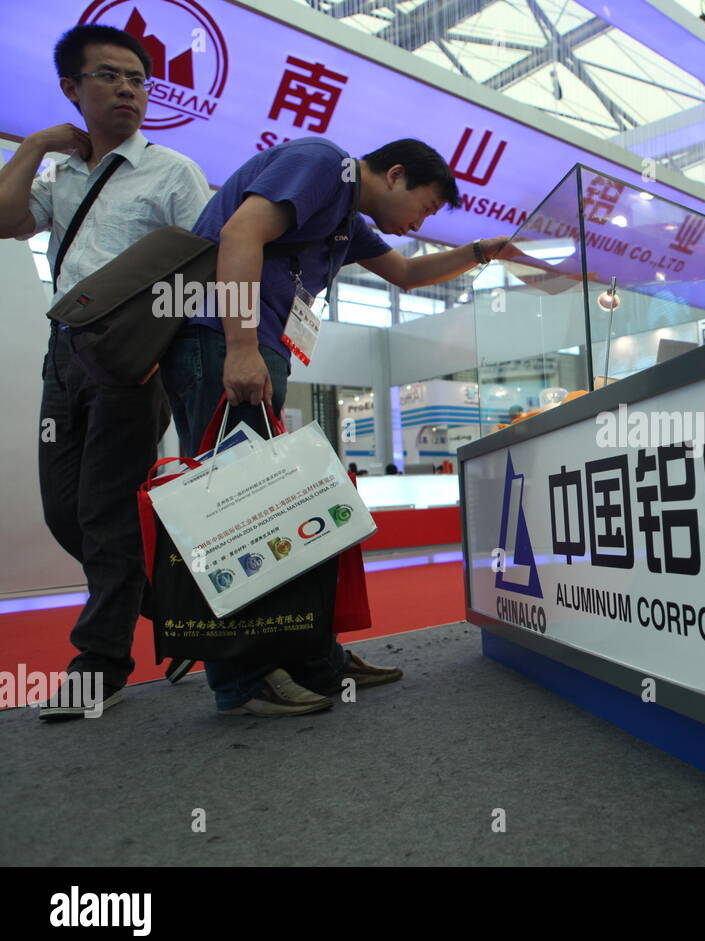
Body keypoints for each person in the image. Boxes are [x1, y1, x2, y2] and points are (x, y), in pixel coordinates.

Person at [161, 134, 518, 717]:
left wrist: (483, 251)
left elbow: (404, 273)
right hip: (216, 336)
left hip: (255, 342)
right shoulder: (323, 163)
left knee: (280, 506)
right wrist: (242, 346)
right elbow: (240, 233)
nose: (420, 220)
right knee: (232, 509)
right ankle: (244, 675)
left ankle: (311, 659)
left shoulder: (349, 220)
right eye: (426, 206)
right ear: (396, 174)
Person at [0, 24, 211, 720]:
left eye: (139, 79)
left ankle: (101, 661)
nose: (128, 89)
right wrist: (32, 147)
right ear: (71, 88)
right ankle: (186, 615)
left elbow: (206, 268)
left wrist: (167, 359)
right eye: (109, 76)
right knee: (67, 510)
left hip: (131, 358)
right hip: (64, 355)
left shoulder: (173, 171)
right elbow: (5, 221)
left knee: (106, 510)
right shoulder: (60, 176)